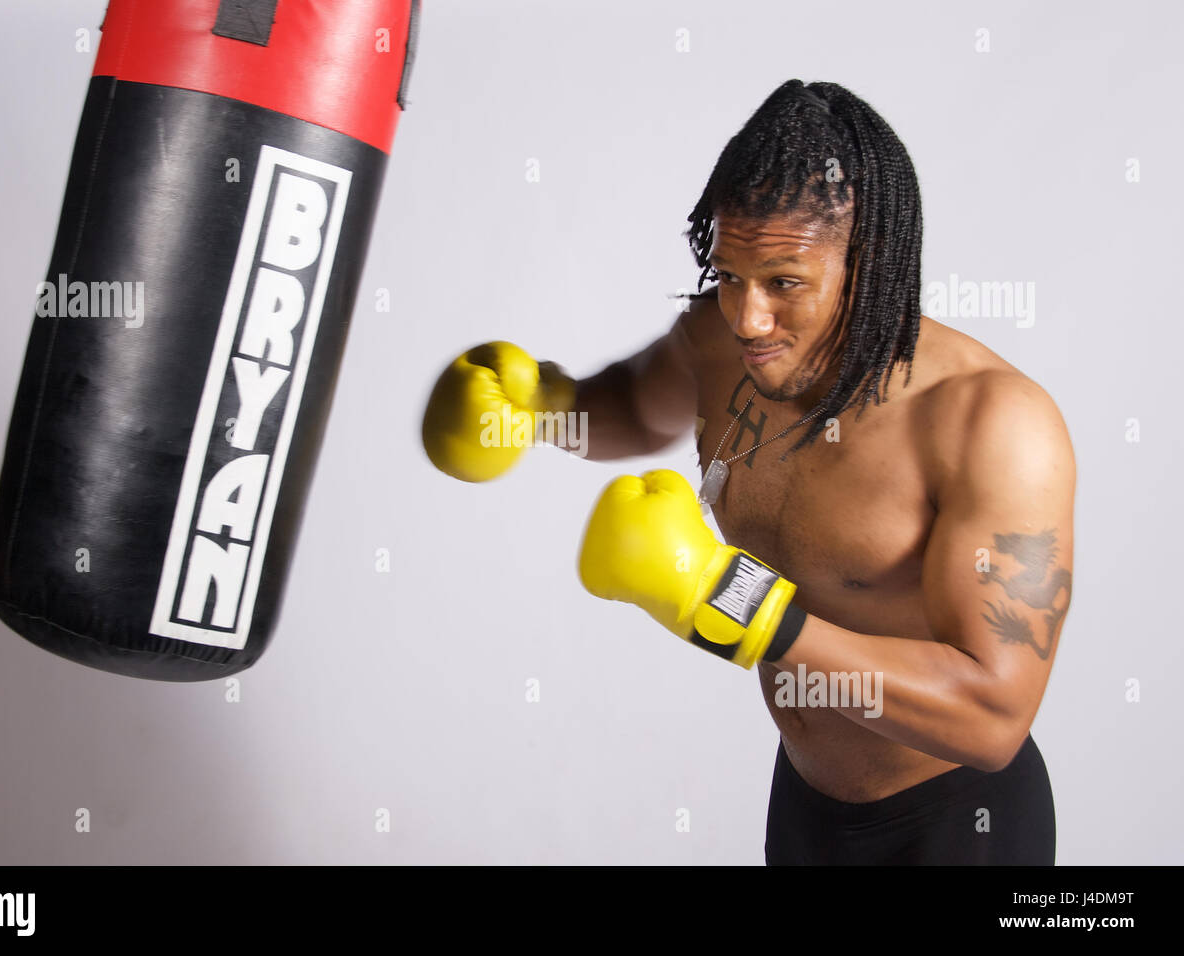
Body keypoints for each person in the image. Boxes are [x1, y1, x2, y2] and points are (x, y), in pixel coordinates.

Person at [421, 79, 1072, 865]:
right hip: (805, 807)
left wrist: (726, 602)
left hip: (959, 828)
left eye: (784, 284)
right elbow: (632, 404)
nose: (746, 317)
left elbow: (993, 715)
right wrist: (538, 406)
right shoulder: (722, 343)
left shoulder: (993, 425)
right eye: (728, 275)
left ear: (866, 267)